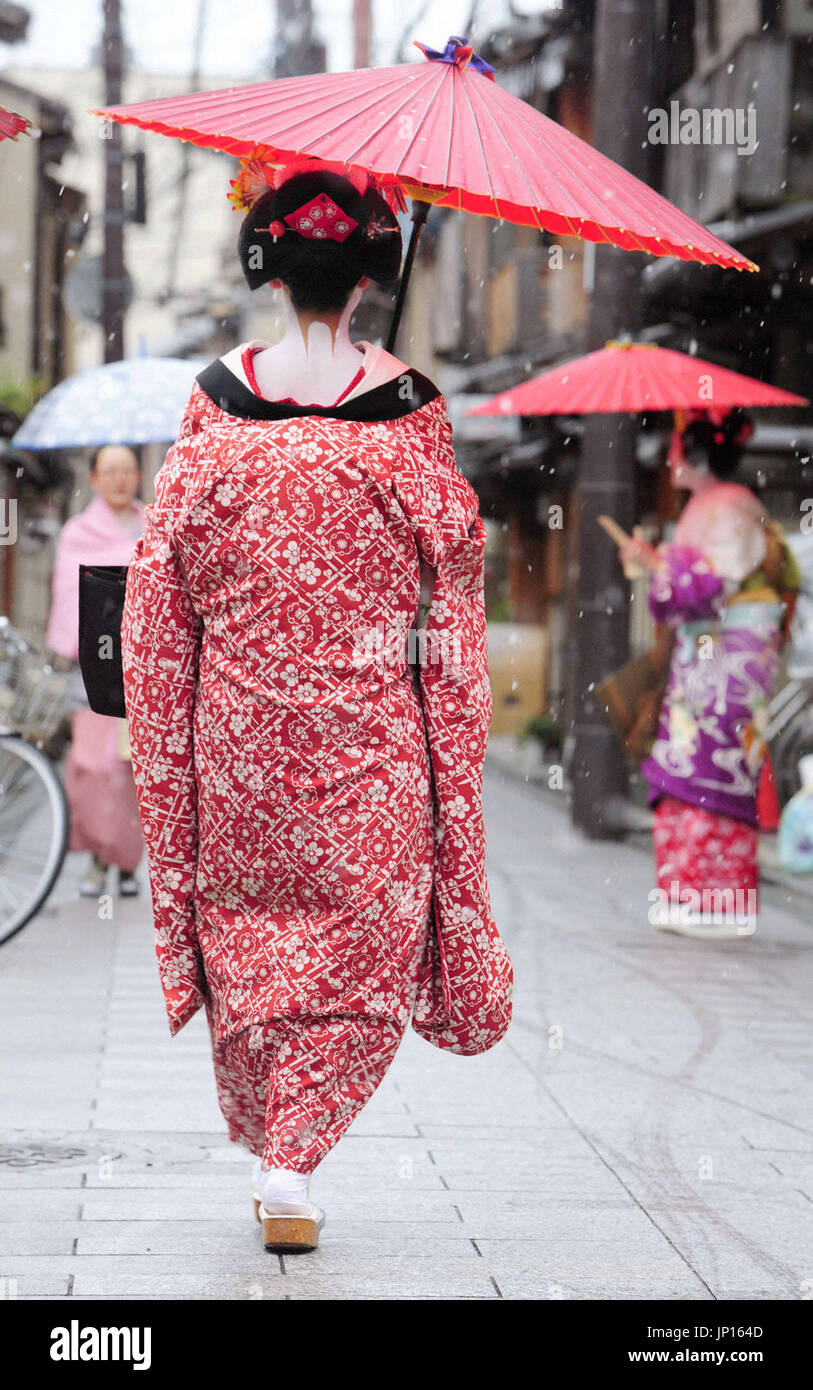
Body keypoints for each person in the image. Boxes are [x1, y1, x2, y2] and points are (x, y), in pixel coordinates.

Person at [121, 162, 511, 1254]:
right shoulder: (412, 412)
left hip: (236, 739)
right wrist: (451, 735)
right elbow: (451, 592)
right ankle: (293, 1155)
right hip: (370, 741)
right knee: (361, 953)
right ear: (372, 274)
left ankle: (271, 1139)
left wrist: (170, 728)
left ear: (269, 271)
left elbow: (162, 594)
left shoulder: (213, 402)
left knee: (247, 939)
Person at [616, 408, 798, 938]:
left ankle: (712, 900)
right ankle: (691, 895)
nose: (670, 459)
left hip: (731, 655)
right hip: (708, 654)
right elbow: (685, 591)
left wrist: (656, 565)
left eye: (676, 449)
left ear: (693, 455)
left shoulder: (732, 505)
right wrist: (655, 565)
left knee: (709, 770)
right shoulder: (712, 504)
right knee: (688, 768)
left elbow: (710, 584)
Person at [47, 444, 145, 898]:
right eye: (110, 471)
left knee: (132, 767)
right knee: (90, 765)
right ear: (93, 479)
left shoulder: (155, 525)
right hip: (94, 658)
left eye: (127, 470)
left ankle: (125, 864)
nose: (120, 479)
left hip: (142, 664)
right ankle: (93, 858)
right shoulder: (77, 531)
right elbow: (70, 593)